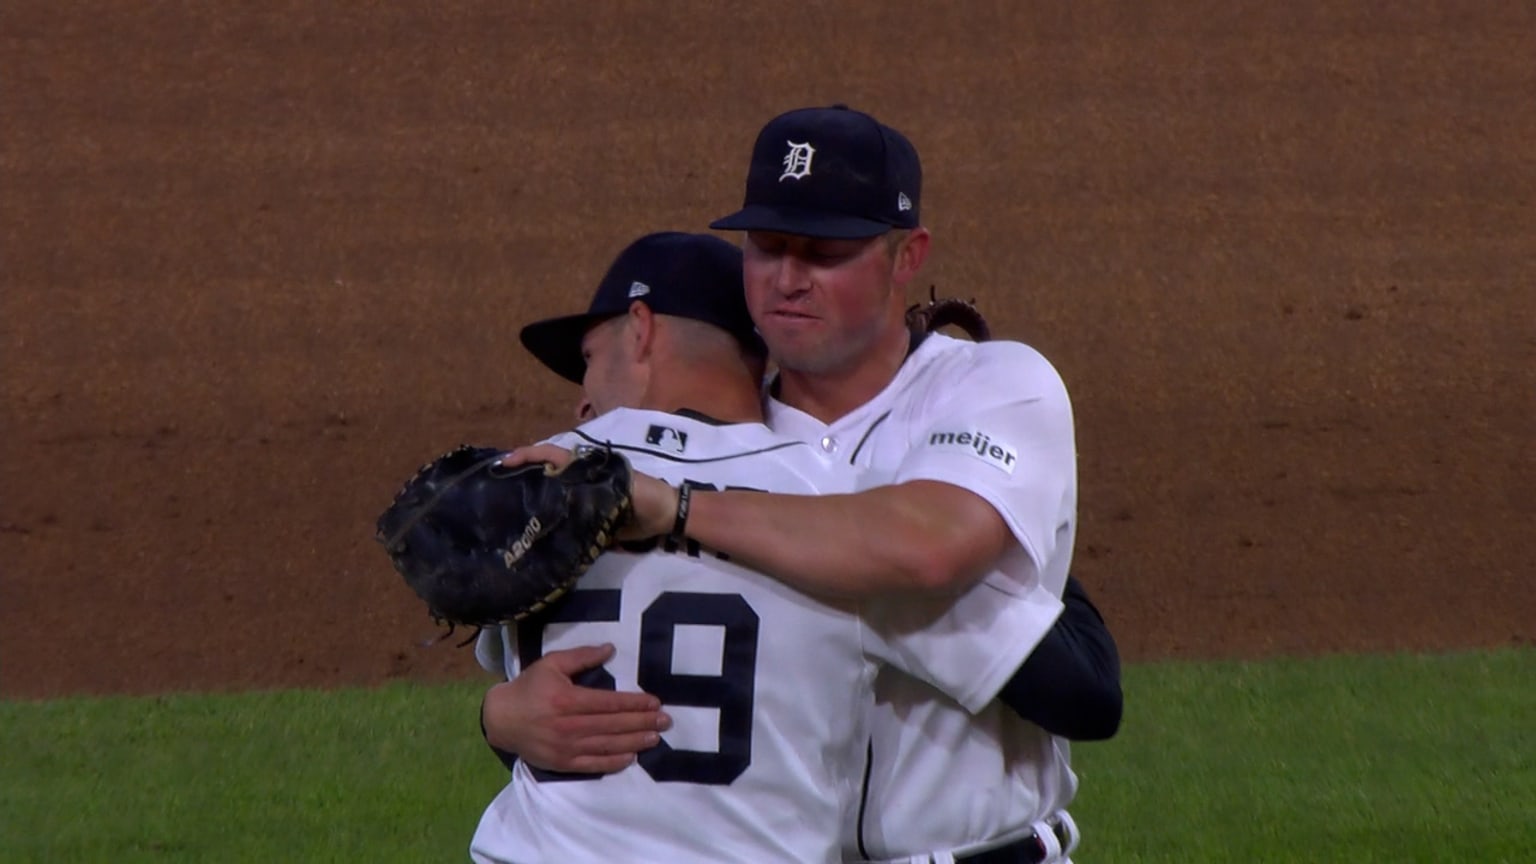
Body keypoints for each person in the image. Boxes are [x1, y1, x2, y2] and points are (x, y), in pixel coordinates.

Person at [493, 106, 1122, 863]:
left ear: (906, 255)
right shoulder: (713, 445)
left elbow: (948, 569)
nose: (788, 279)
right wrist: (504, 718)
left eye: (824, 252)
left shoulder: (991, 385)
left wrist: (680, 510)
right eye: (767, 248)